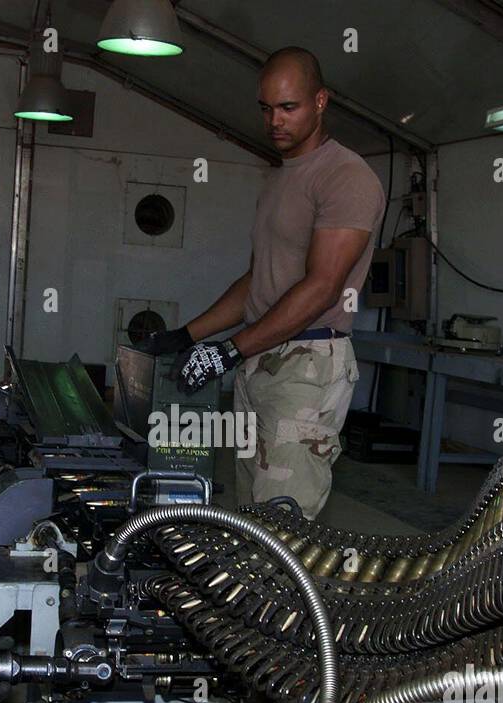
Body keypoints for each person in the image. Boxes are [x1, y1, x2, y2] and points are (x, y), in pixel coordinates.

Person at [146, 47, 385, 521]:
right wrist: (189, 335)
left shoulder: (347, 178)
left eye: (288, 107)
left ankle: (290, 600)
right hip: (260, 363)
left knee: (283, 524)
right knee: (248, 518)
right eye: (266, 108)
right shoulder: (281, 177)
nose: (275, 120)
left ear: (321, 101)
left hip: (307, 368)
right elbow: (259, 282)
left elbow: (322, 287)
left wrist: (230, 350)